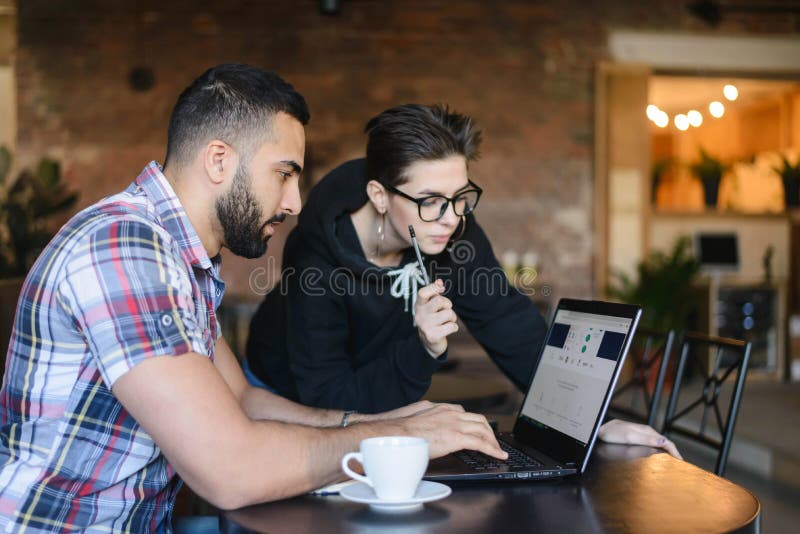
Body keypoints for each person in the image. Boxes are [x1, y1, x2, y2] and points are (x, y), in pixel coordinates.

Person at [0, 66, 506, 533]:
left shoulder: (177, 258)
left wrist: (385, 423)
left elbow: (243, 400)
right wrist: (402, 441)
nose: (295, 202)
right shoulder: (125, 249)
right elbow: (231, 471)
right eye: (284, 173)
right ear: (219, 160)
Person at [246, 104, 681, 456]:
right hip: (288, 397)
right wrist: (421, 350)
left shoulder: (452, 232)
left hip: (377, 394)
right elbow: (327, 395)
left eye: (459, 197)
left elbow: (510, 323)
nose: (451, 218)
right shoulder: (315, 258)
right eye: (431, 201)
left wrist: (595, 423)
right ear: (379, 195)